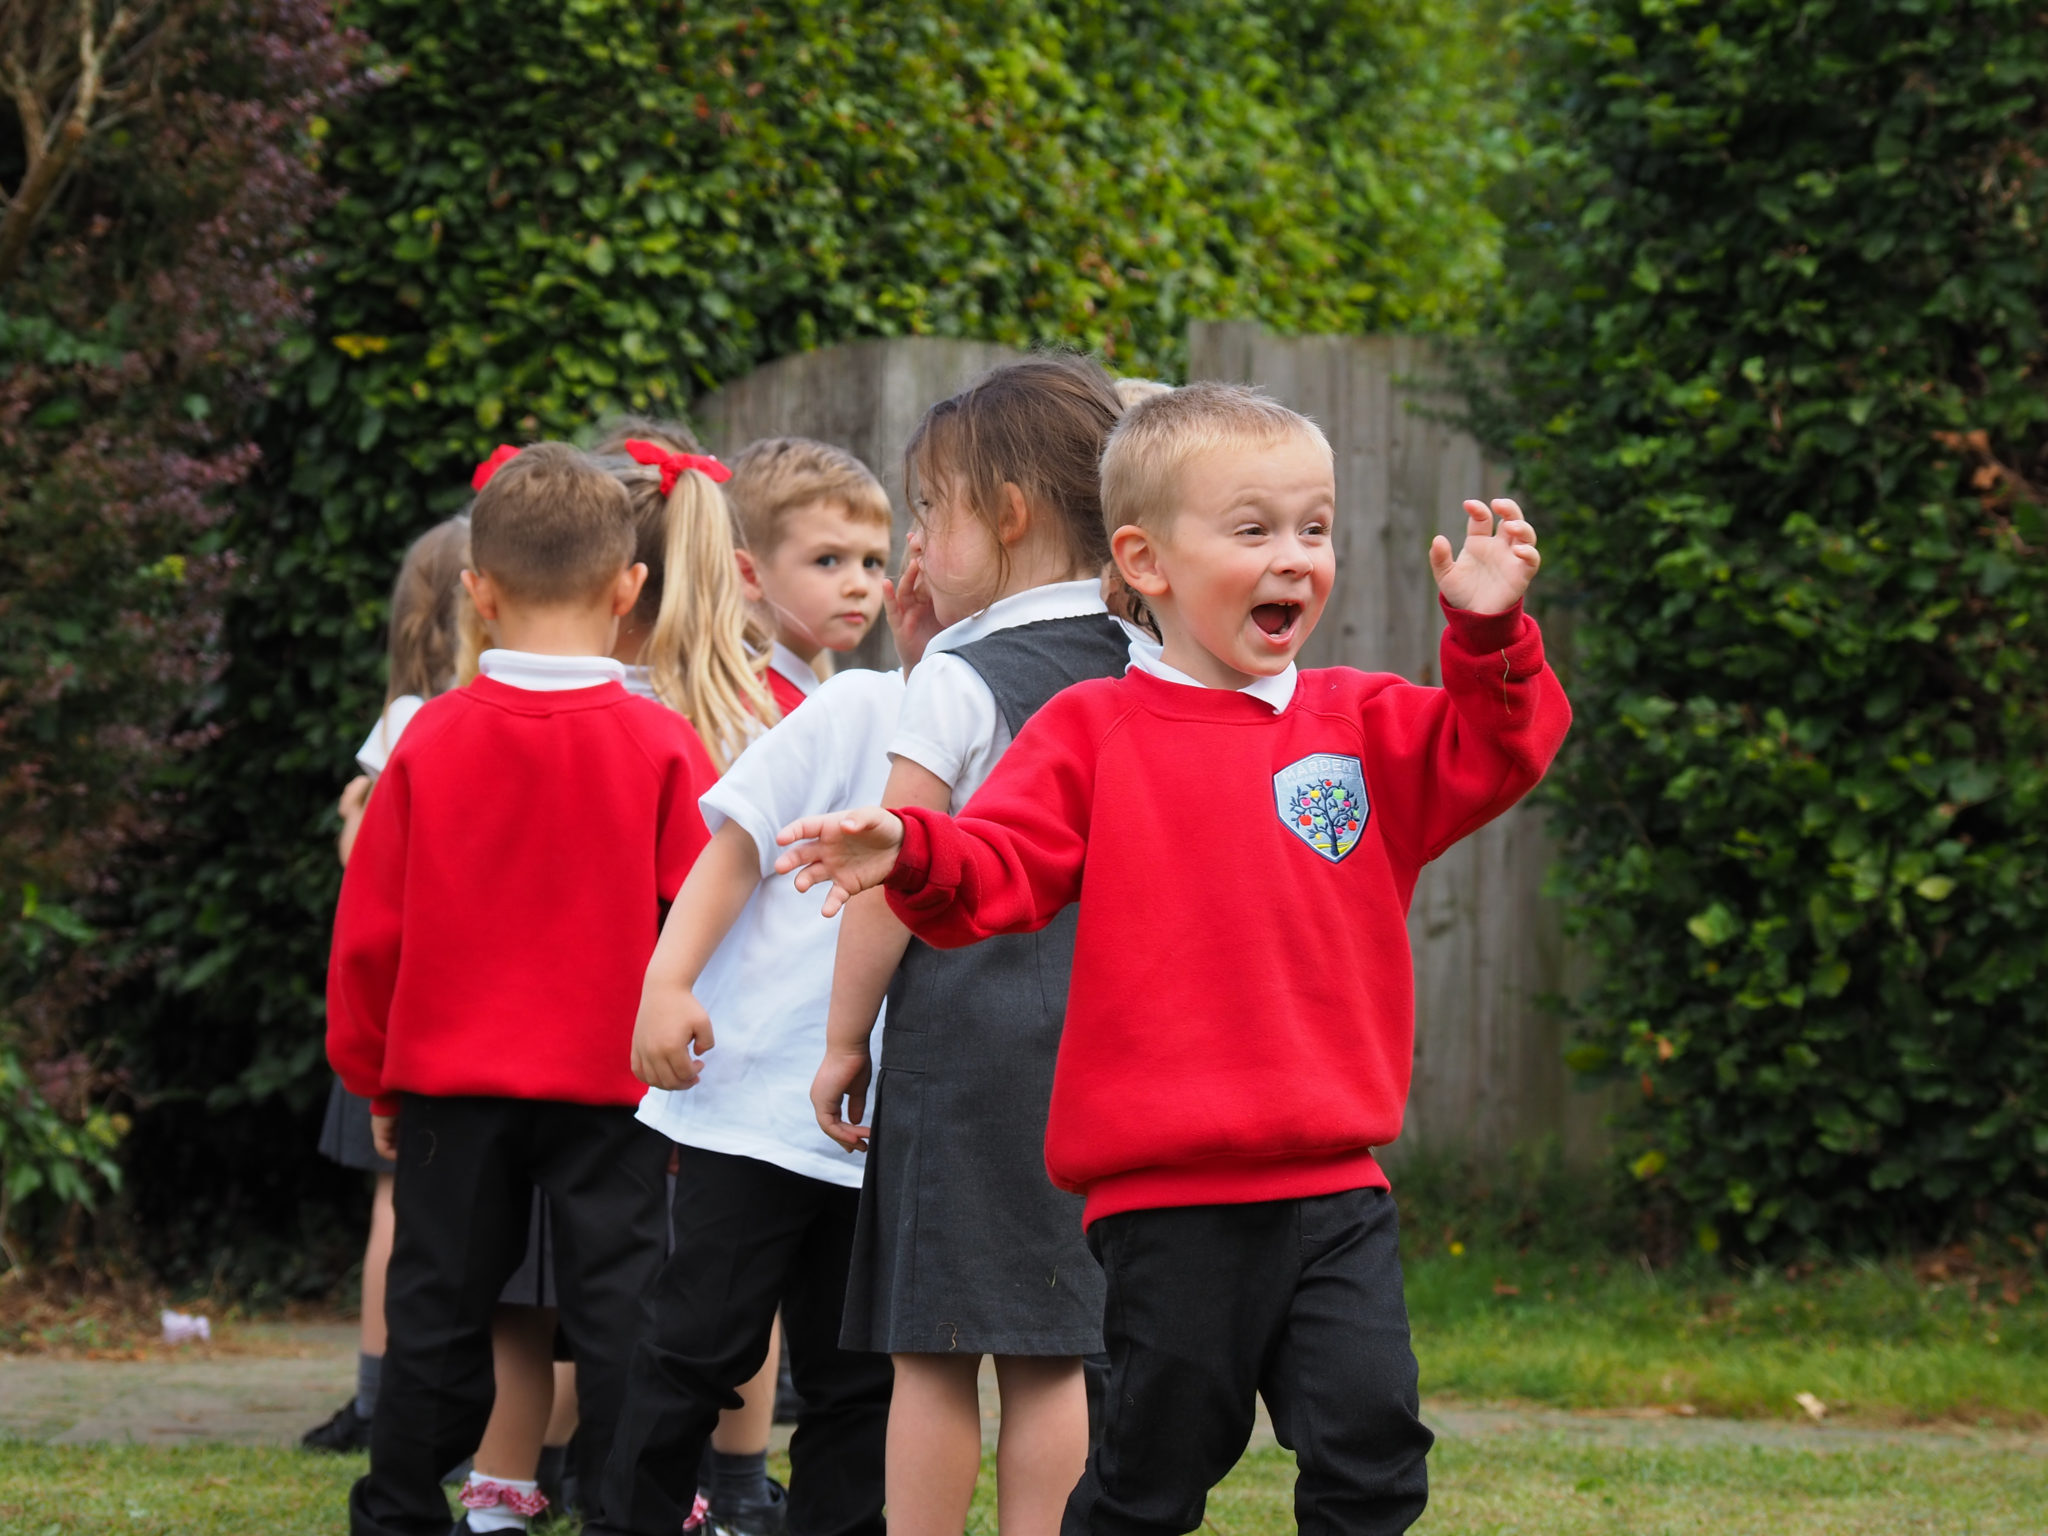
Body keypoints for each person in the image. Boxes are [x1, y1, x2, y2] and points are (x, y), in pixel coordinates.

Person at [774, 383, 1573, 1536]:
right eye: (1252, 530)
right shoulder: (1091, 731)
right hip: (1166, 1204)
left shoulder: (1359, 725)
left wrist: (1487, 634)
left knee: (1371, 1443)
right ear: (1144, 559)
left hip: (1334, 1185)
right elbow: (998, 868)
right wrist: (908, 847)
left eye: (1313, 526)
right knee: (1156, 1470)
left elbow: (1498, 749)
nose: (1293, 556)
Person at [327, 441, 719, 1536]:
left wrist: (374, 1074)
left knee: (437, 1310)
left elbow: (371, 931)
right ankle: (631, 1516)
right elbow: (694, 919)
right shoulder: (661, 743)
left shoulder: (430, 740)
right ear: (627, 587)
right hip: (615, 1089)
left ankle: (400, 1510)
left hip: (453, 1084)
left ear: (478, 591)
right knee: (625, 1313)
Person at [806, 355, 1127, 1536]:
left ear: (1006, 515)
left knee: (933, 1350)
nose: (917, 541)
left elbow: (893, 869)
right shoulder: (1153, 666)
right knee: (1053, 1347)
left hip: (967, 1044)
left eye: (930, 511)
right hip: (1102, 1042)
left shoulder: (962, 676)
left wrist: (845, 1038)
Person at [590, 520, 899, 1536]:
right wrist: (665, 981)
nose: (875, 580)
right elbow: (734, 844)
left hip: (892, 1128)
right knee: (693, 1347)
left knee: (856, 1379)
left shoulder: (1049, 725)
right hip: (756, 1103)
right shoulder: (859, 707)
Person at [304, 516, 469, 1455]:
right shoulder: (433, 718)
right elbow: (363, 854)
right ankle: (382, 1401)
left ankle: (382, 1399)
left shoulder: (413, 716)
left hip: (399, 1002)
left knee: (399, 1208)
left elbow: (358, 849)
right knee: (403, 1206)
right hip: (416, 1005)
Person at [725, 436, 897, 709]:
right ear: (748, 574)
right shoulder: (752, 712)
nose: (860, 586)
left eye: (871, 562)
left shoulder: (792, 694)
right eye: (828, 560)